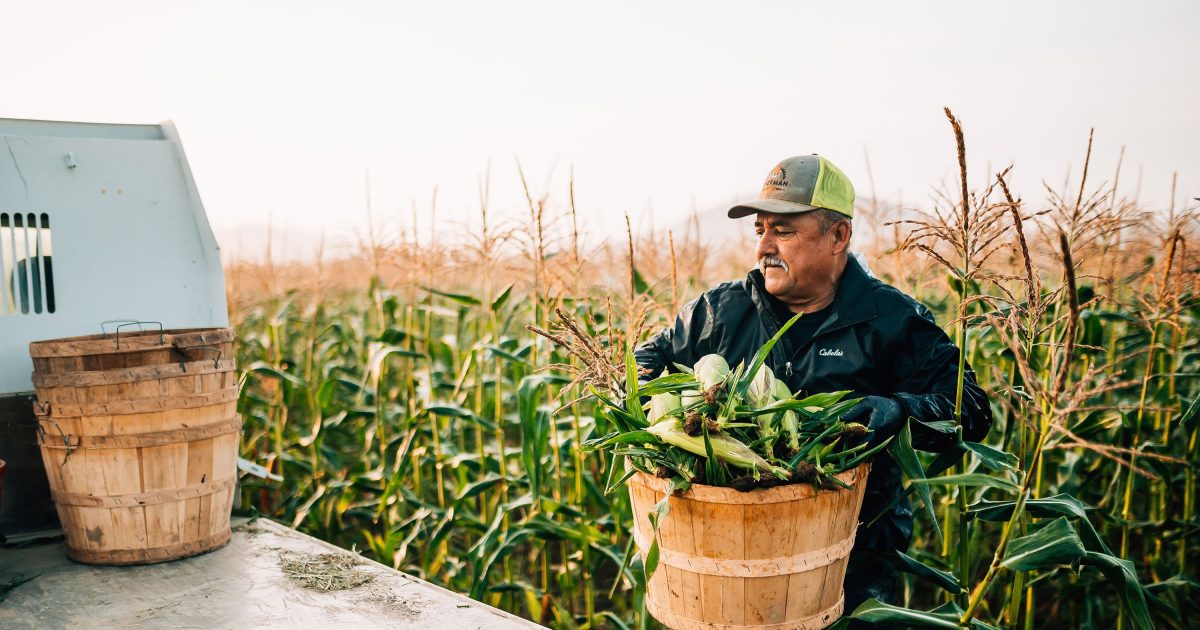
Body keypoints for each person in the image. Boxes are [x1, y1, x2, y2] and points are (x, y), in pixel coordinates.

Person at [634, 154, 992, 616]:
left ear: (838, 236)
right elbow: (645, 362)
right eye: (759, 229)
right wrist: (668, 417)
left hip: (854, 561)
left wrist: (898, 411)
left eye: (783, 231)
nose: (764, 245)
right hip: (730, 566)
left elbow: (972, 410)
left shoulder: (892, 321)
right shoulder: (720, 312)